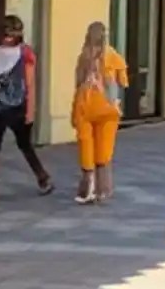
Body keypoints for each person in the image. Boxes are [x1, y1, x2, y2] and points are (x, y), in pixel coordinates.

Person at [0, 15, 53, 206]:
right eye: (5, 33)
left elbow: (30, 83)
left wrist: (31, 110)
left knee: (24, 144)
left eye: (11, 34)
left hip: (17, 107)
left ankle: (43, 177)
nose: (7, 38)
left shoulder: (25, 53)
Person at [71, 21, 128, 204]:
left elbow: (78, 83)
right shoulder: (114, 58)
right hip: (107, 109)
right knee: (104, 151)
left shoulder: (83, 57)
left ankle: (87, 187)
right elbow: (123, 83)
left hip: (85, 106)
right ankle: (104, 188)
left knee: (86, 145)